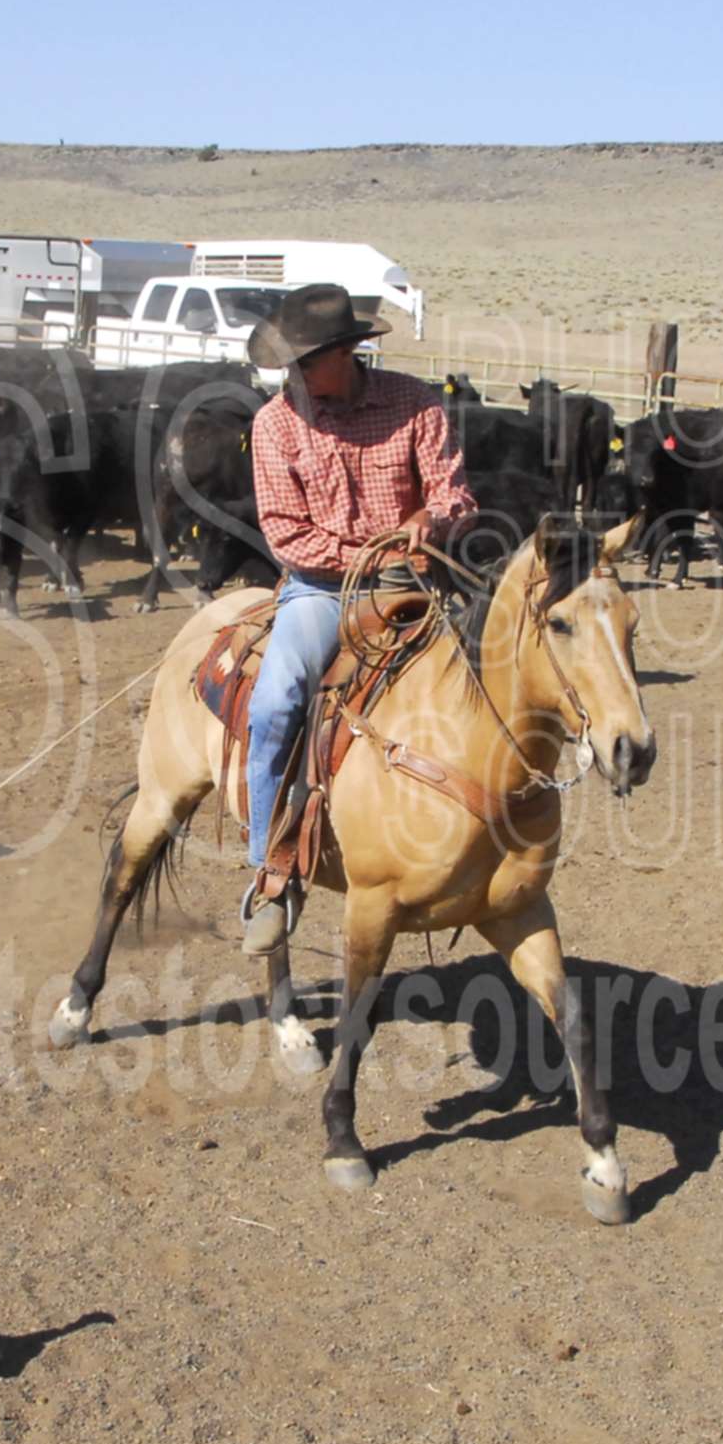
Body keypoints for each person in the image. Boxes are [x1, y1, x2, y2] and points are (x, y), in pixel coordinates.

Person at [238, 283, 476, 953]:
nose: (295, 375)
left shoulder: (415, 403)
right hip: (321, 592)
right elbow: (286, 535)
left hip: (416, 581)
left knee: (487, 685)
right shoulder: (274, 424)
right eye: (290, 363)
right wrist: (369, 555)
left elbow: (455, 492)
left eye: (306, 361)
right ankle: (272, 872)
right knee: (277, 702)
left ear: (346, 352)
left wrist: (434, 517)